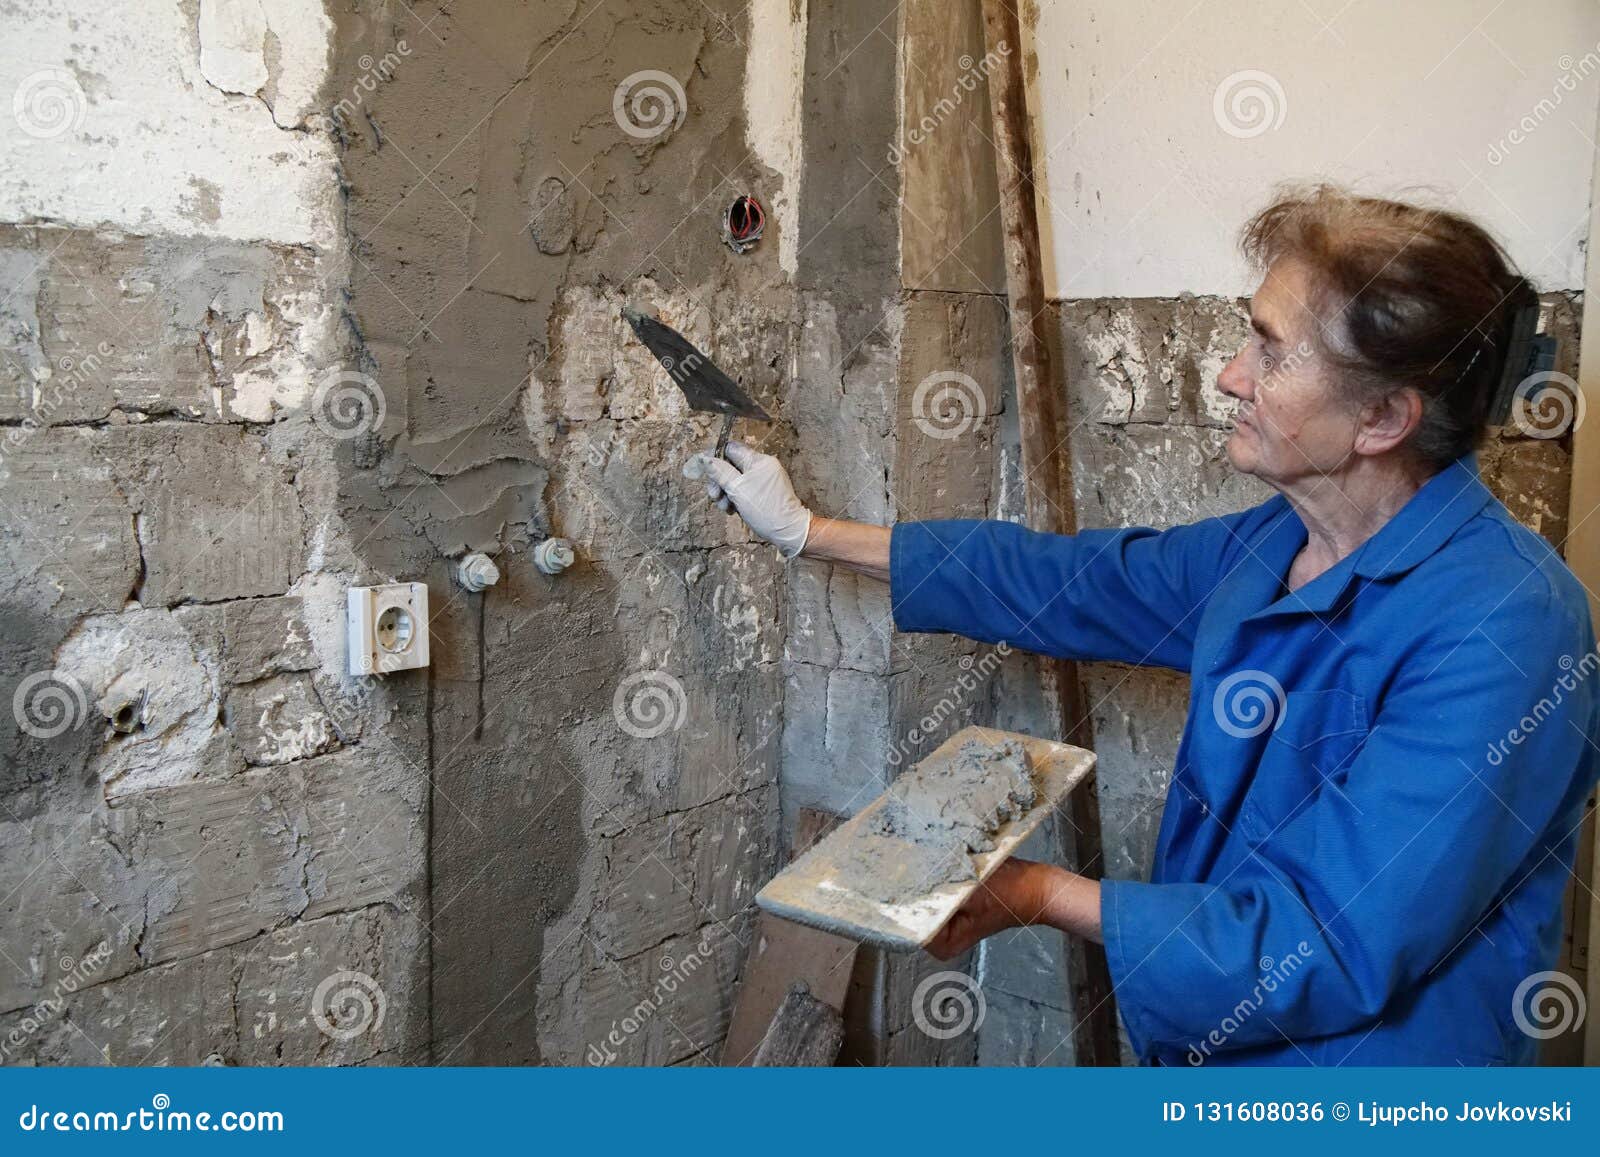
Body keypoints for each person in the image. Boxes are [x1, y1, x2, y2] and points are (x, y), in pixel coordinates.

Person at [688, 185, 1600, 1066]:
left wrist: (1044, 892)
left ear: (1384, 417)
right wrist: (808, 532)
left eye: (1271, 352)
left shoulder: (1510, 626)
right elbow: (1073, 583)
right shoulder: (1277, 542)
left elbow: (1327, 939)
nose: (1231, 375)